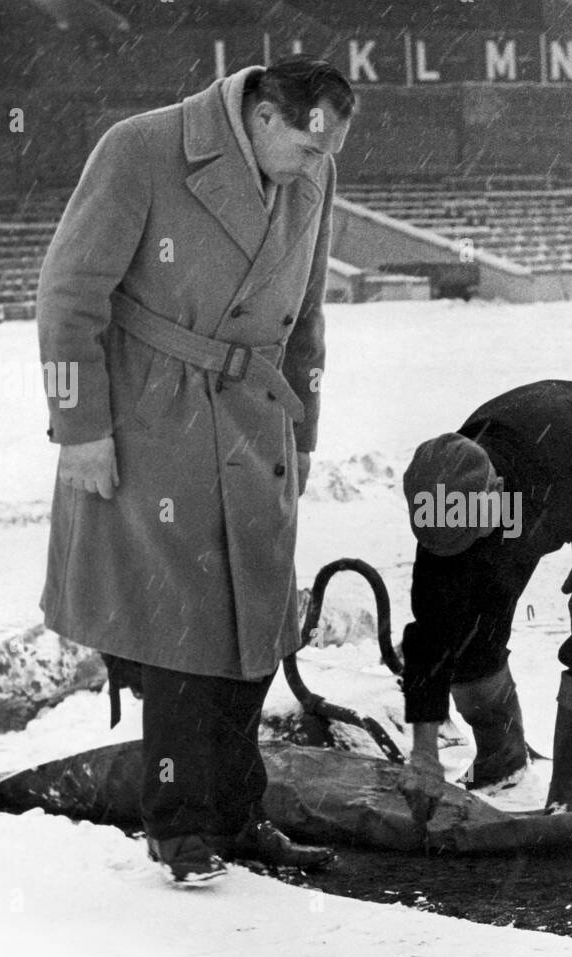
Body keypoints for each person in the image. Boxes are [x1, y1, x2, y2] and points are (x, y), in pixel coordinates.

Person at [37, 56, 354, 885]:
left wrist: (306, 429)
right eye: (308, 149)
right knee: (180, 629)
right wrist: (80, 429)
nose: (319, 169)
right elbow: (68, 294)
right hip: (156, 419)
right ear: (262, 118)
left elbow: (308, 318)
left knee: (256, 628)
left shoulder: (311, 174)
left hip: (256, 420)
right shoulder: (142, 150)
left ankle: (238, 817)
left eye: (329, 153)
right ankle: (177, 827)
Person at [396, 380, 572, 821]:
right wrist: (424, 755)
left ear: (493, 497)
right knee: (467, 635)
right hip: (518, 500)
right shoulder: (446, 507)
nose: (457, 553)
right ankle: (502, 759)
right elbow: (431, 636)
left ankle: (571, 786)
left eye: (469, 536)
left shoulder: (563, 451)